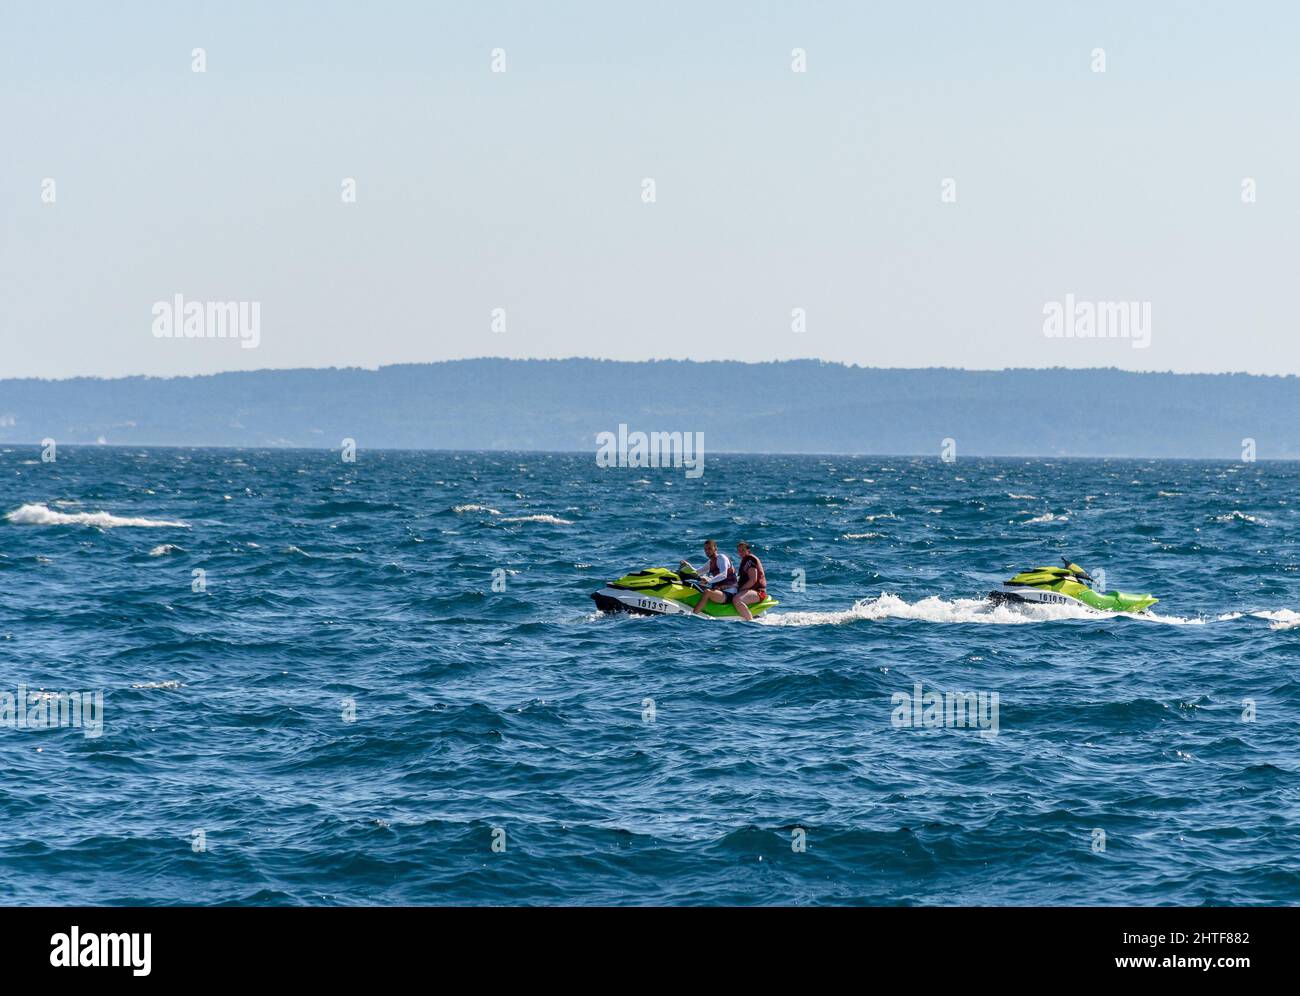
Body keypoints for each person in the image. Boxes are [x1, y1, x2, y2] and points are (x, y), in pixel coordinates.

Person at [689, 539, 737, 616]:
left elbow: (723, 574)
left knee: (707, 592)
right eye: (705, 549)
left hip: (729, 593)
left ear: (715, 548)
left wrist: (709, 580)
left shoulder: (721, 558)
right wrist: (687, 566)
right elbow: (698, 572)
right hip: (719, 591)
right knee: (693, 585)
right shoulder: (711, 562)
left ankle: (693, 614)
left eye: (709, 549)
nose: (707, 551)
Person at [731, 541, 767, 621]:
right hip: (750, 591)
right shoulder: (744, 561)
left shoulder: (750, 560)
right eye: (739, 551)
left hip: (758, 592)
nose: (740, 552)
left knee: (737, 600)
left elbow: (752, 580)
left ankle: (750, 621)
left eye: (743, 550)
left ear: (748, 550)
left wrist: (740, 590)